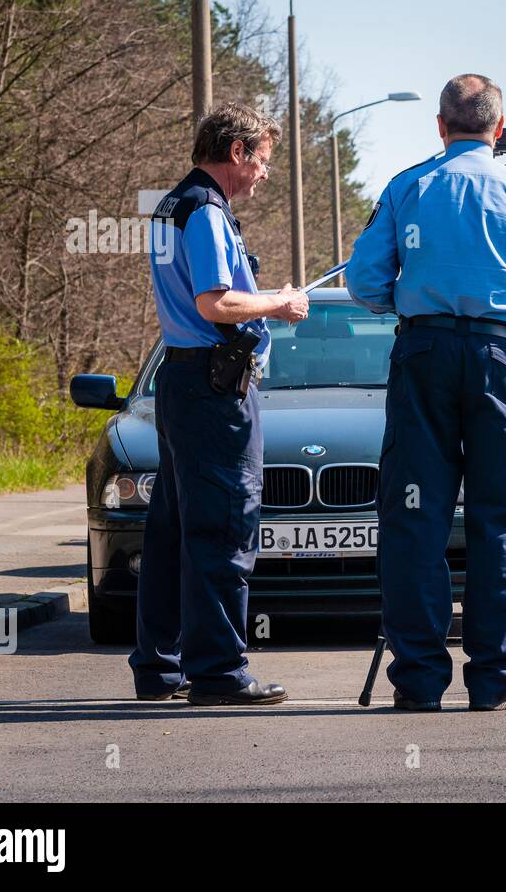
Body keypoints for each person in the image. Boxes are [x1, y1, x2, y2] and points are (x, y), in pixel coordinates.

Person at [346, 74, 506, 711]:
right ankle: (496, 680)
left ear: (440, 126)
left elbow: (365, 280)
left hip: (423, 356)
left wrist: (416, 299)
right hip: (500, 361)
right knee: (503, 519)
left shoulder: (407, 187)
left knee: (414, 521)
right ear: (499, 129)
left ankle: (419, 681)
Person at [130, 102, 309, 706]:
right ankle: (220, 673)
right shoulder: (206, 213)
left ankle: (160, 666)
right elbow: (216, 303)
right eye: (261, 160)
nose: (263, 173)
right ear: (236, 153)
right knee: (224, 526)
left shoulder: (169, 205)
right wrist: (278, 304)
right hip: (214, 386)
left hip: (184, 383)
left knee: (173, 529)